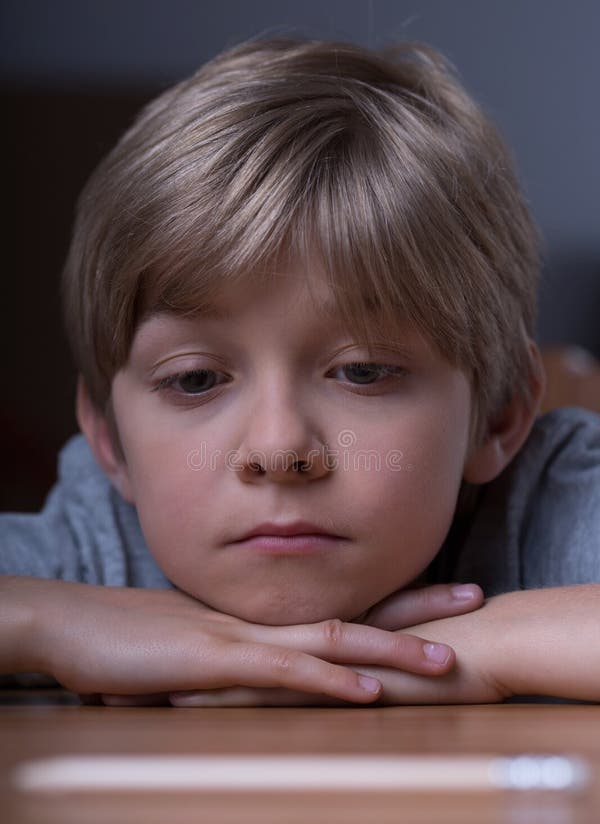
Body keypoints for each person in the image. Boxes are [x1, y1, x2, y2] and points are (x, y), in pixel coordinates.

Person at [2, 36, 600, 707]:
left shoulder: (549, 503)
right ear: (109, 441)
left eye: (364, 371)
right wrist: (40, 620)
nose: (280, 449)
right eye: (195, 379)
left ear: (499, 412)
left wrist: (471, 652)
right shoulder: (96, 543)